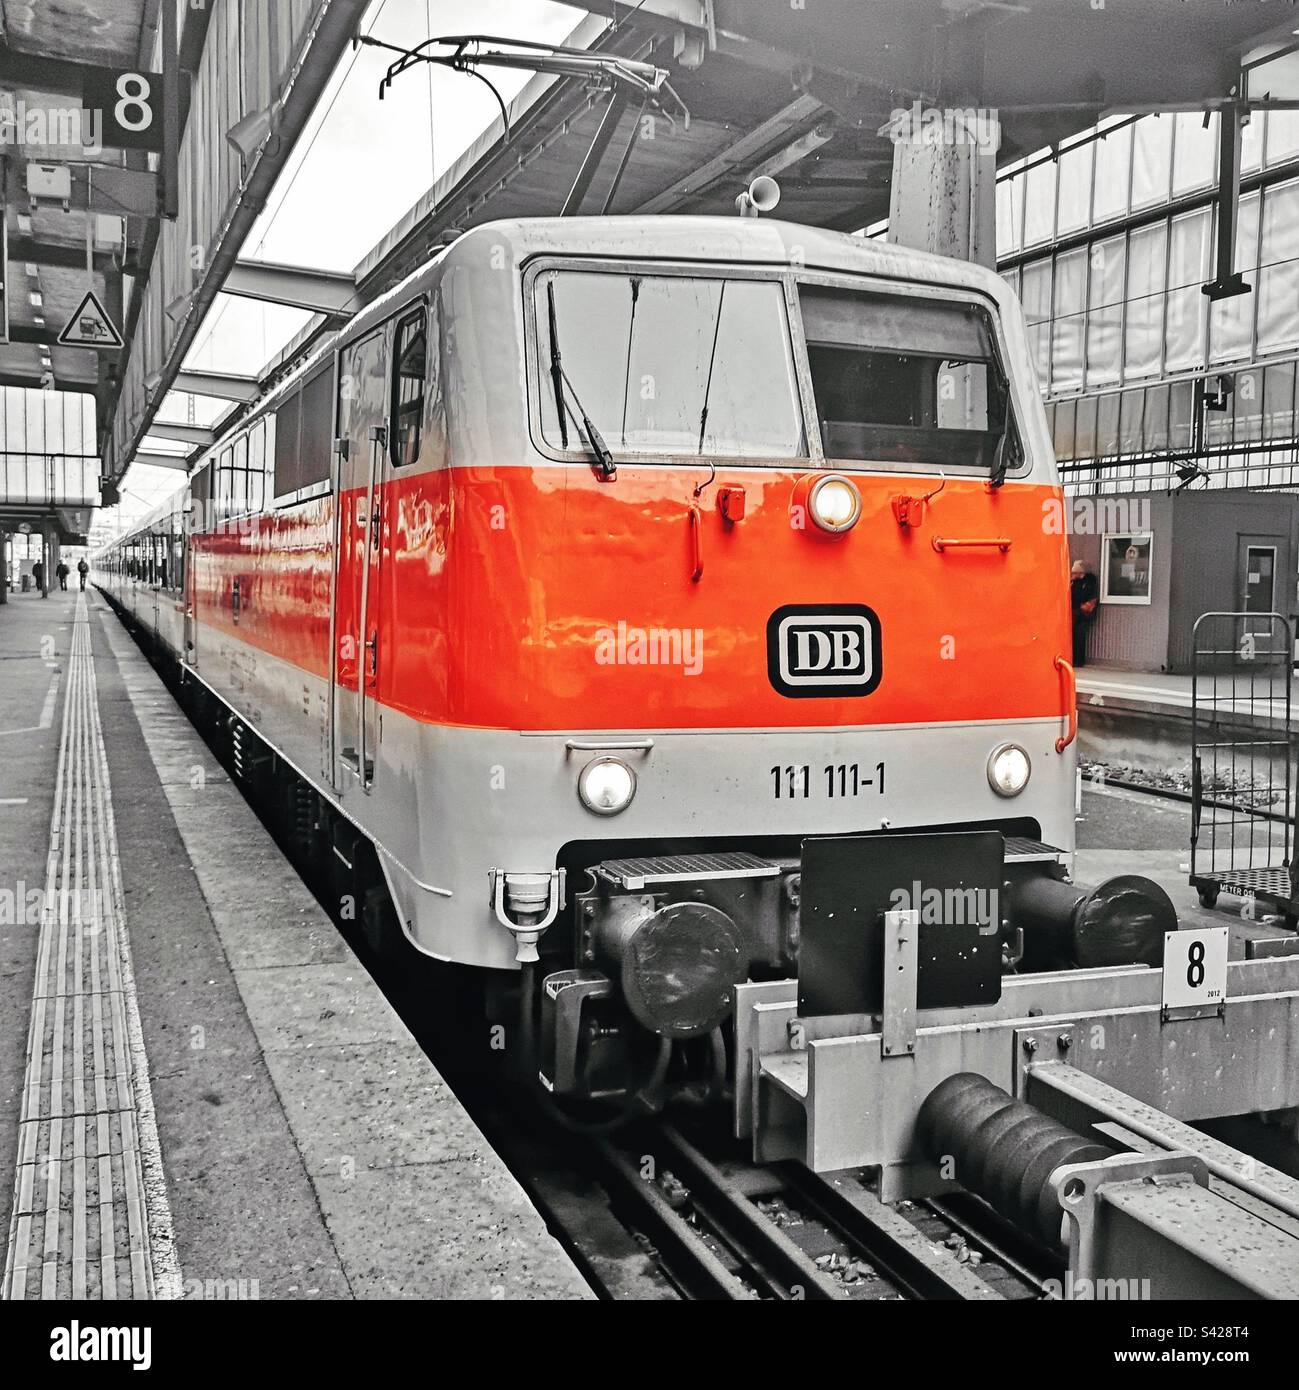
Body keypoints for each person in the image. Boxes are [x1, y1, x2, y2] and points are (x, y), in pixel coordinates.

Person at [1070, 559, 1099, 667]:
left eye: (1075, 572)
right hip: (1076, 610)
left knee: (1079, 634)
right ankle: (1073, 658)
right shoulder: (1075, 582)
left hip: (1083, 612)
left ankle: (1078, 660)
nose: (1073, 574)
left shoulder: (1090, 581)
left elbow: (1091, 598)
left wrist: (1084, 607)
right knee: (1074, 635)